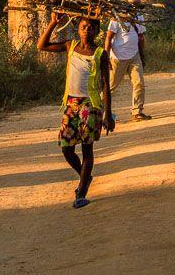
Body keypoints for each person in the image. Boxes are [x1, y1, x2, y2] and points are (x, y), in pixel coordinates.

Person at [37, 12, 114, 209]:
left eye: (91, 27)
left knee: (87, 148)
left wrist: (107, 113)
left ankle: (81, 192)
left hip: (91, 105)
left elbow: (105, 84)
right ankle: (84, 176)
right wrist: (53, 23)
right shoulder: (70, 46)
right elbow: (41, 45)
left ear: (97, 31)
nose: (86, 30)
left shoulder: (100, 53)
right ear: (77, 29)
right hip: (71, 103)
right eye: (83, 27)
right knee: (66, 147)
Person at [104, 0, 151, 122]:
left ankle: (137, 112)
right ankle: (99, 111)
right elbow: (108, 38)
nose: (136, 7)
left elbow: (141, 37)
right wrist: (106, 57)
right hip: (118, 57)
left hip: (134, 55)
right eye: (133, 4)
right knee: (111, 86)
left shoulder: (139, 16)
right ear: (127, 5)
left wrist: (142, 54)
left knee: (139, 83)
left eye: (138, 4)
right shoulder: (116, 18)